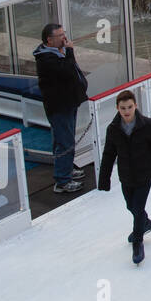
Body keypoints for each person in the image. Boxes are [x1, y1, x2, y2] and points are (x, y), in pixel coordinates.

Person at [98, 89, 151, 265]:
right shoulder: (113, 129)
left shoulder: (148, 125)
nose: (127, 111)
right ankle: (145, 223)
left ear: (135, 106)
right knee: (131, 206)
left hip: (145, 175)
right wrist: (104, 179)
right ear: (117, 109)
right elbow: (108, 155)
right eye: (123, 108)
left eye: (129, 107)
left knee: (137, 208)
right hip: (126, 176)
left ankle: (138, 243)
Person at [33, 24, 90, 194]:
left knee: (66, 138)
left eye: (64, 34)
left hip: (68, 103)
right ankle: (62, 180)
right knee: (64, 141)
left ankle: (66, 169)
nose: (64, 38)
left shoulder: (55, 53)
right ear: (49, 40)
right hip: (60, 106)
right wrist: (70, 51)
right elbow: (68, 71)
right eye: (60, 35)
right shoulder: (47, 59)